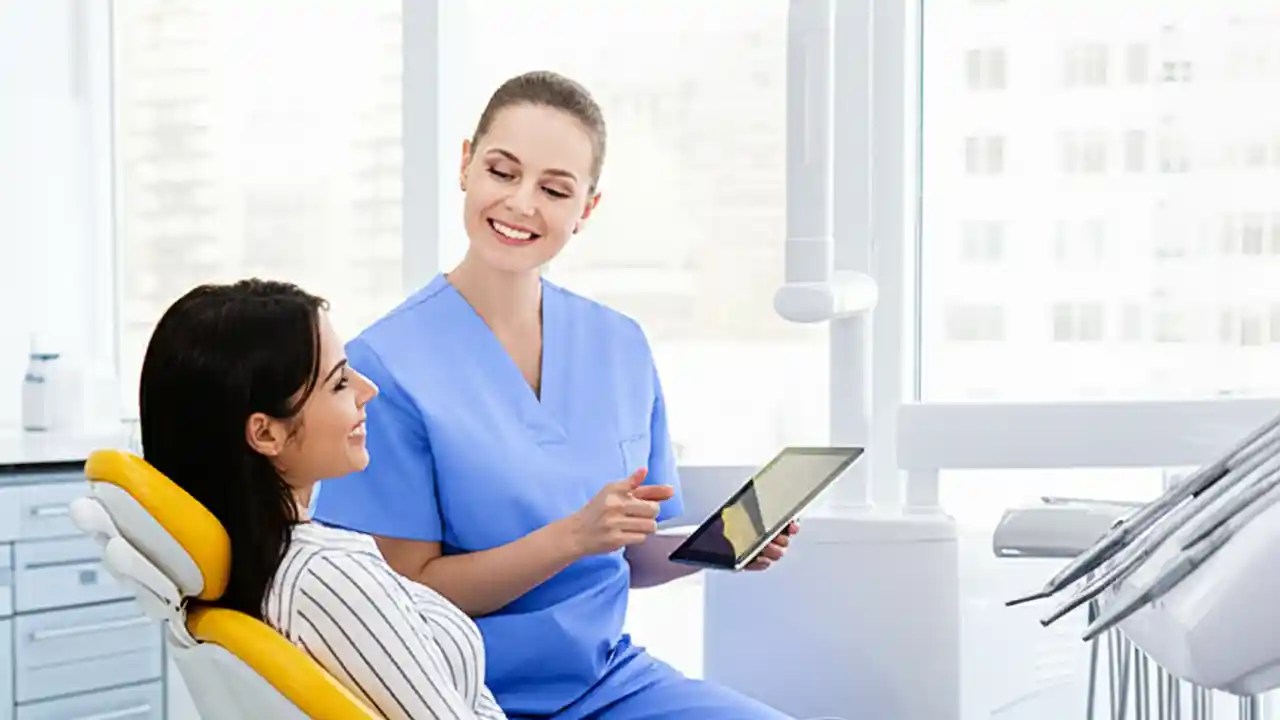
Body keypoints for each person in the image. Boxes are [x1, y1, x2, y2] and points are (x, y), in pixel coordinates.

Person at [311, 70, 797, 719]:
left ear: (586, 209)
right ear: (465, 165)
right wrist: (569, 537)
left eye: (554, 188)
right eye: (501, 171)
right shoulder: (384, 367)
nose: (520, 204)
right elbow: (401, 598)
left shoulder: (619, 346)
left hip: (611, 681)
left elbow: (623, 555)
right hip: (465, 695)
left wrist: (718, 550)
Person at [138, 279, 506, 720]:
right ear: (266, 433)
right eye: (338, 383)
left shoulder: (248, 568)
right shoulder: (326, 577)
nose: (368, 390)